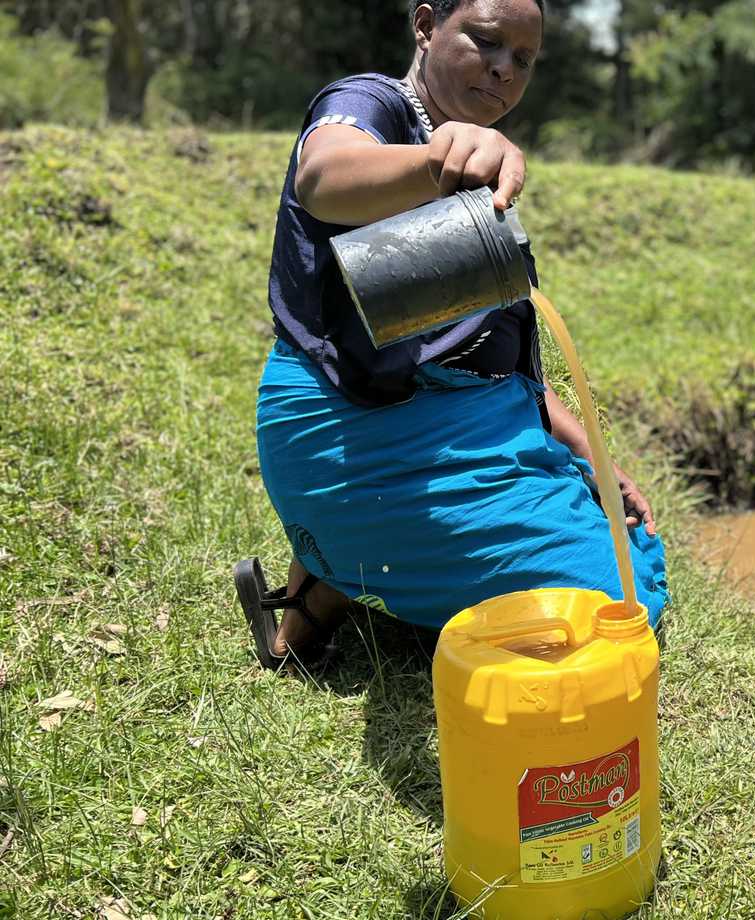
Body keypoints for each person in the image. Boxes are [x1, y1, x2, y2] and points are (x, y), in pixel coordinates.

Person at [233, 0, 669, 668]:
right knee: (616, 596)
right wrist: (435, 163)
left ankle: (330, 587)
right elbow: (322, 177)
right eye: (486, 41)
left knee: (613, 531)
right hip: (349, 430)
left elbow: (484, 359)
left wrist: (593, 460)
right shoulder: (371, 105)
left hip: (455, 421)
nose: (503, 69)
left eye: (523, 59)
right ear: (427, 25)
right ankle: (335, 575)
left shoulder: (472, 169)